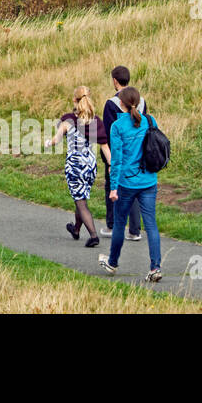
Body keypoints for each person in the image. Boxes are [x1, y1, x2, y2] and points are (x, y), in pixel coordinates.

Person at [98, 87, 163, 282]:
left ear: (122, 104)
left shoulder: (117, 126)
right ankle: (155, 267)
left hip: (126, 182)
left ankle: (113, 262)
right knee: (151, 224)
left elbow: (116, 160)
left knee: (119, 223)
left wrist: (114, 186)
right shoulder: (150, 121)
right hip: (149, 180)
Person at [45, 85, 109, 247]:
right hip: (90, 166)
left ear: (75, 99)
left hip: (75, 165)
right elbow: (105, 147)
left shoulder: (68, 120)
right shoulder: (96, 122)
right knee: (80, 197)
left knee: (81, 201)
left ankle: (93, 235)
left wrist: (47, 143)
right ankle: (76, 229)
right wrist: (112, 165)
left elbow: (56, 140)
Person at [102, 65, 145, 240]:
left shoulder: (112, 104)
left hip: (117, 152)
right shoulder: (141, 101)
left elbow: (108, 133)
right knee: (133, 189)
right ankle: (135, 230)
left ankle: (112, 226)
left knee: (111, 188)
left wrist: (110, 160)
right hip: (136, 152)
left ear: (114, 81)